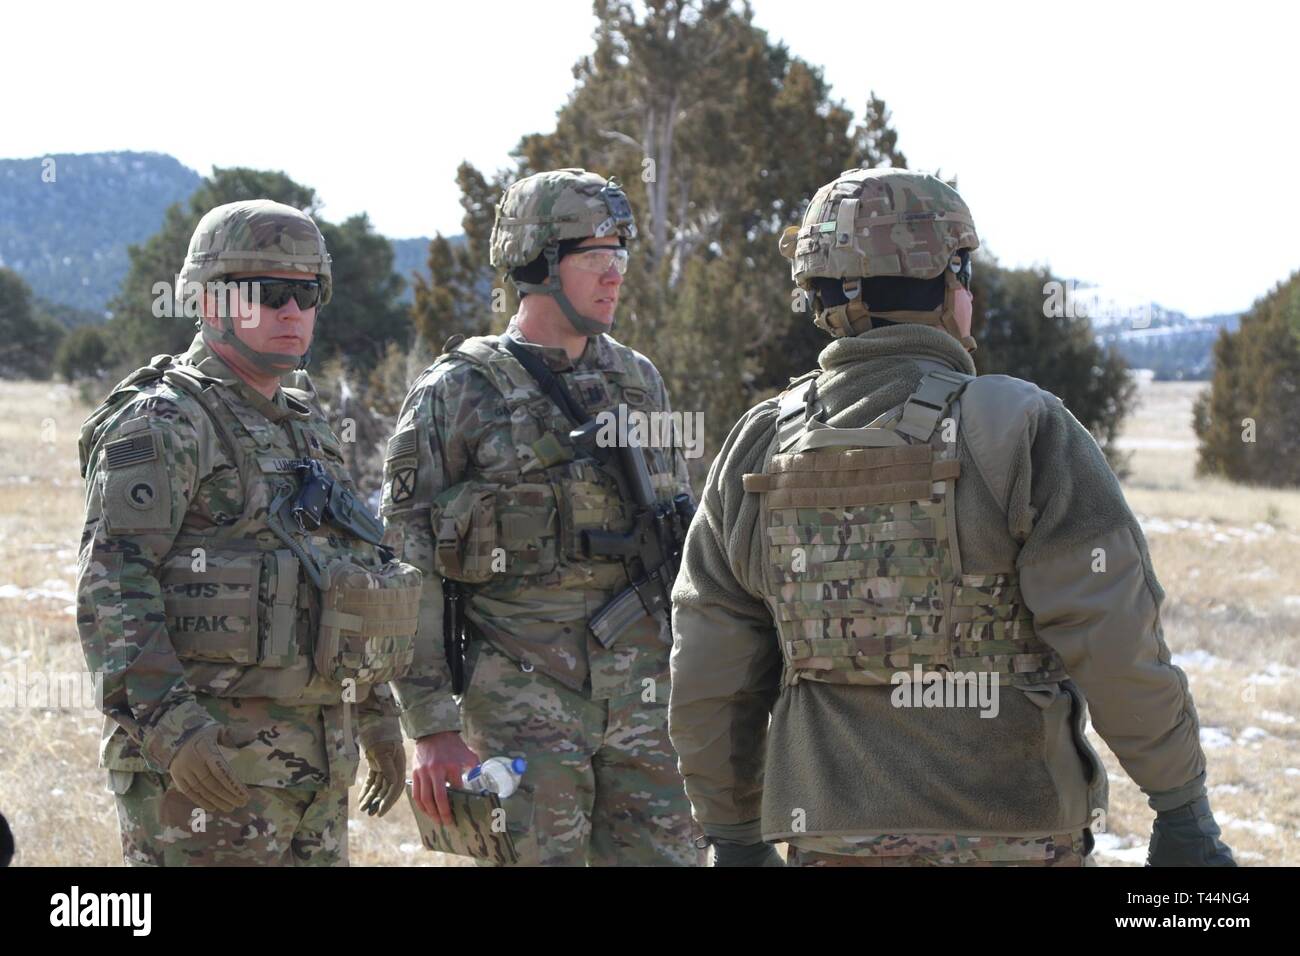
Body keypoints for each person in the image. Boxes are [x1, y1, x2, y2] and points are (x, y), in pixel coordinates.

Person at [668, 167, 1236, 867]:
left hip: (830, 837)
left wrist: (731, 833)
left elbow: (708, 670)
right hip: (1014, 832)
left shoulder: (758, 444)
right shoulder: (1022, 427)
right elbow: (1115, 639)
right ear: (948, 281)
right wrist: (1181, 808)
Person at [76, 200, 416, 866]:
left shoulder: (303, 426)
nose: (293, 310)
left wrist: (376, 711)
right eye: (269, 292)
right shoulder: (164, 422)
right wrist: (173, 731)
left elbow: (344, 577)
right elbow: (112, 584)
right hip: (210, 778)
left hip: (314, 773)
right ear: (209, 301)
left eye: (307, 291)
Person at [383, 168, 702, 866]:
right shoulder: (457, 392)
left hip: (646, 702)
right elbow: (409, 567)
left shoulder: (638, 381)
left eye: (621, 256)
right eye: (595, 257)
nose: (614, 275)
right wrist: (431, 726)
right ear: (537, 263)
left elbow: (679, 536)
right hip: (522, 704)